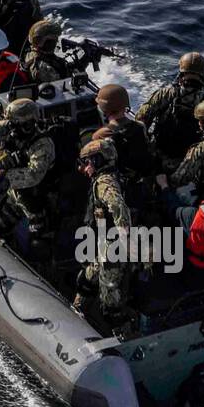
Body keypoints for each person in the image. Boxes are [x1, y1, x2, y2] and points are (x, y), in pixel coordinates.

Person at [0, 97, 55, 257]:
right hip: (14, 194)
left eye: (18, 125)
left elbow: (34, 175)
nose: (13, 129)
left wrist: (4, 175)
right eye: (12, 124)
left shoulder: (42, 143)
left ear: (28, 123)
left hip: (36, 198)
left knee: (39, 244)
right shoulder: (10, 126)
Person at [75, 138, 136, 336]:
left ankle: (123, 334)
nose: (84, 168)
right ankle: (78, 309)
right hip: (105, 244)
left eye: (87, 162)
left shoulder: (104, 183)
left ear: (97, 161)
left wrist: (124, 236)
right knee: (87, 279)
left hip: (113, 247)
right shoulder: (118, 175)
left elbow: (117, 206)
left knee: (111, 300)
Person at [89, 83, 159, 223]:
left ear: (104, 109)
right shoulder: (140, 127)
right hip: (140, 184)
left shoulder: (100, 135)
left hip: (118, 188)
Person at [139, 52, 204, 174]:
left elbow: (141, 120)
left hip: (157, 157)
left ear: (181, 72)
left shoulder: (164, 94)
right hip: (188, 165)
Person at [22, 19, 75, 83]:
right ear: (38, 41)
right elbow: (64, 83)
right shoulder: (42, 67)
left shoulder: (31, 53)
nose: (55, 43)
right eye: (50, 41)